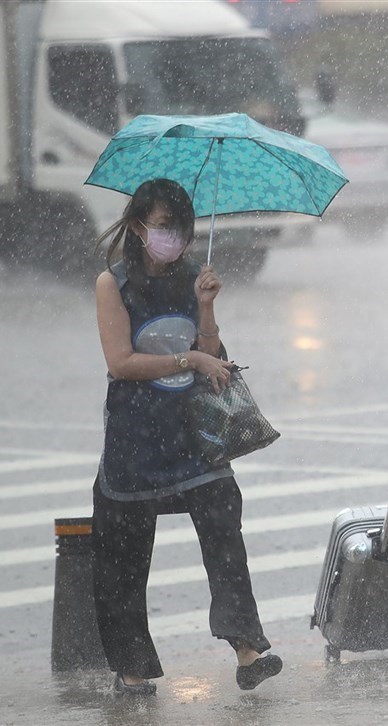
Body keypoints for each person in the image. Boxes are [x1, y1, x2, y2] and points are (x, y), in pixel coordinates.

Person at [91, 178, 282, 695]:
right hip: (134, 436)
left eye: (180, 227)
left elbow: (213, 356)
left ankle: (247, 650)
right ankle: (132, 668)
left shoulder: (196, 276)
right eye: (162, 226)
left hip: (193, 432)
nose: (172, 236)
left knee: (223, 522)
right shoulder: (113, 284)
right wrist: (190, 358)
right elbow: (121, 362)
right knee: (123, 553)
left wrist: (207, 308)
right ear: (139, 227)